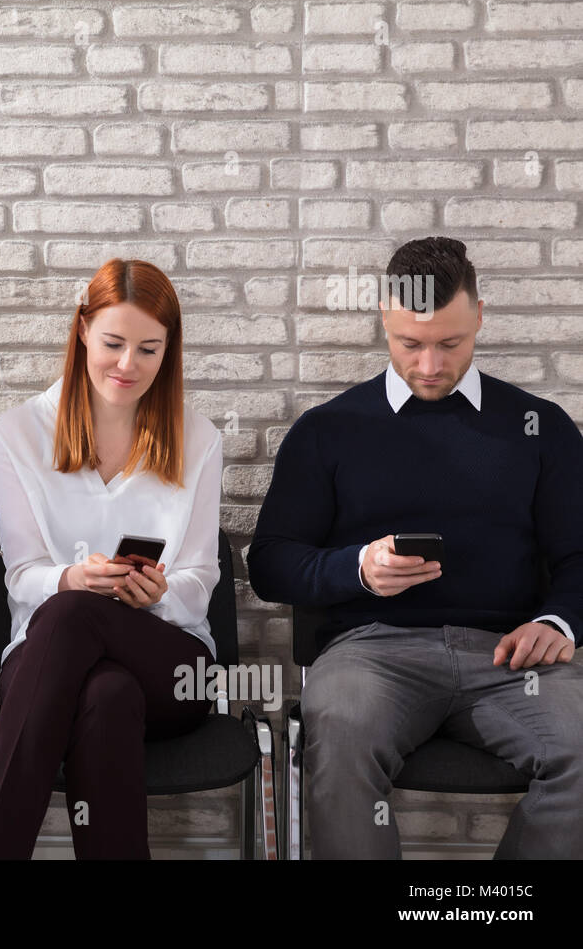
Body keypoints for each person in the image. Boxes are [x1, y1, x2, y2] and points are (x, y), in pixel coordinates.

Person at [248, 235, 583, 859]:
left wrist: (559, 620)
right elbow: (269, 563)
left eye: (449, 344)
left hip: (509, 660)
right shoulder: (330, 430)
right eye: (411, 344)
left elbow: (578, 555)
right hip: (371, 655)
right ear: (384, 318)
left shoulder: (541, 429)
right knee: (341, 734)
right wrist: (357, 570)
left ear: (479, 317)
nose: (429, 365)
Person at [0, 258, 222, 859]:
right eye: (112, 343)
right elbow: (23, 577)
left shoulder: (200, 438)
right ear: (82, 331)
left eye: (149, 349)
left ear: (169, 351)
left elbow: (201, 579)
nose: (128, 365)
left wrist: (160, 592)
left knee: (72, 614)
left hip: (175, 665)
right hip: (51, 666)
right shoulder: (20, 432)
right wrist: (73, 578)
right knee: (103, 689)